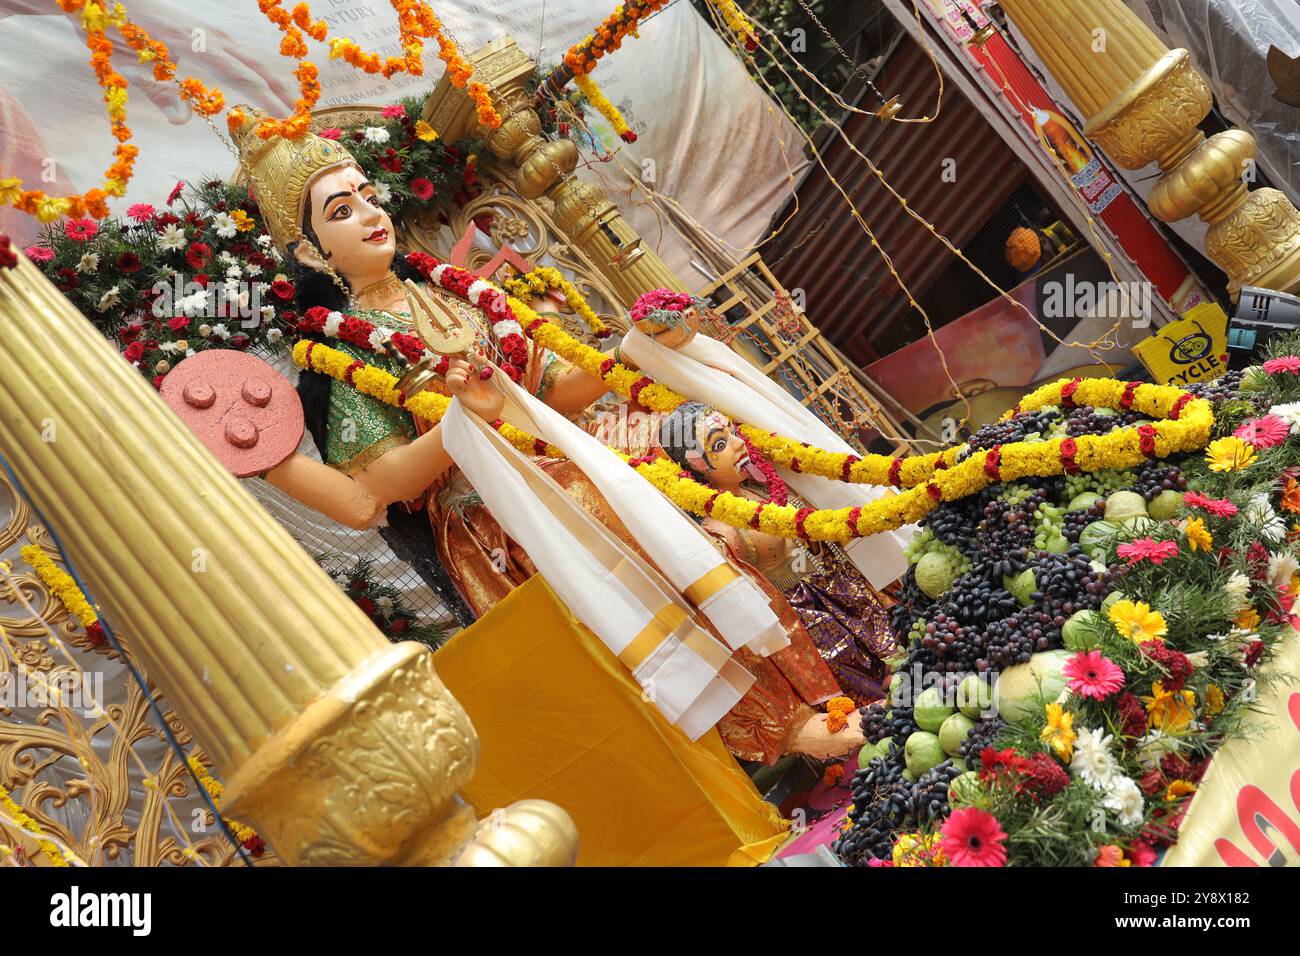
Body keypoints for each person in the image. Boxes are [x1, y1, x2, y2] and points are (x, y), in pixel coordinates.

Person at [658, 401, 899, 707]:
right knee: (875, 697)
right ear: (694, 465)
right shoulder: (719, 530)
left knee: (903, 659)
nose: (737, 444)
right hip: (808, 620)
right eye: (720, 443)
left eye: (733, 432)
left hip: (842, 586)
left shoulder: (764, 484)